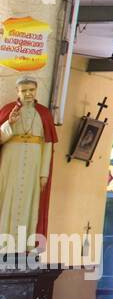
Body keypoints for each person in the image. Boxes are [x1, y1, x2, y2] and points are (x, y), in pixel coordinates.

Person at [0, 77, 58, 245]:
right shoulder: (8, 110)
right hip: (10, 159)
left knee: (30, 200)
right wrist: (8, 123)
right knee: (6, 198)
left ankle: (24, 243)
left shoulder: (44, 113)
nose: (28, 94)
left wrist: (44, 174)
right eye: (24, 90)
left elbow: (48, 144)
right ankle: (3, 243)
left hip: (34, 161)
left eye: (31, 90)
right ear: (17, 92)